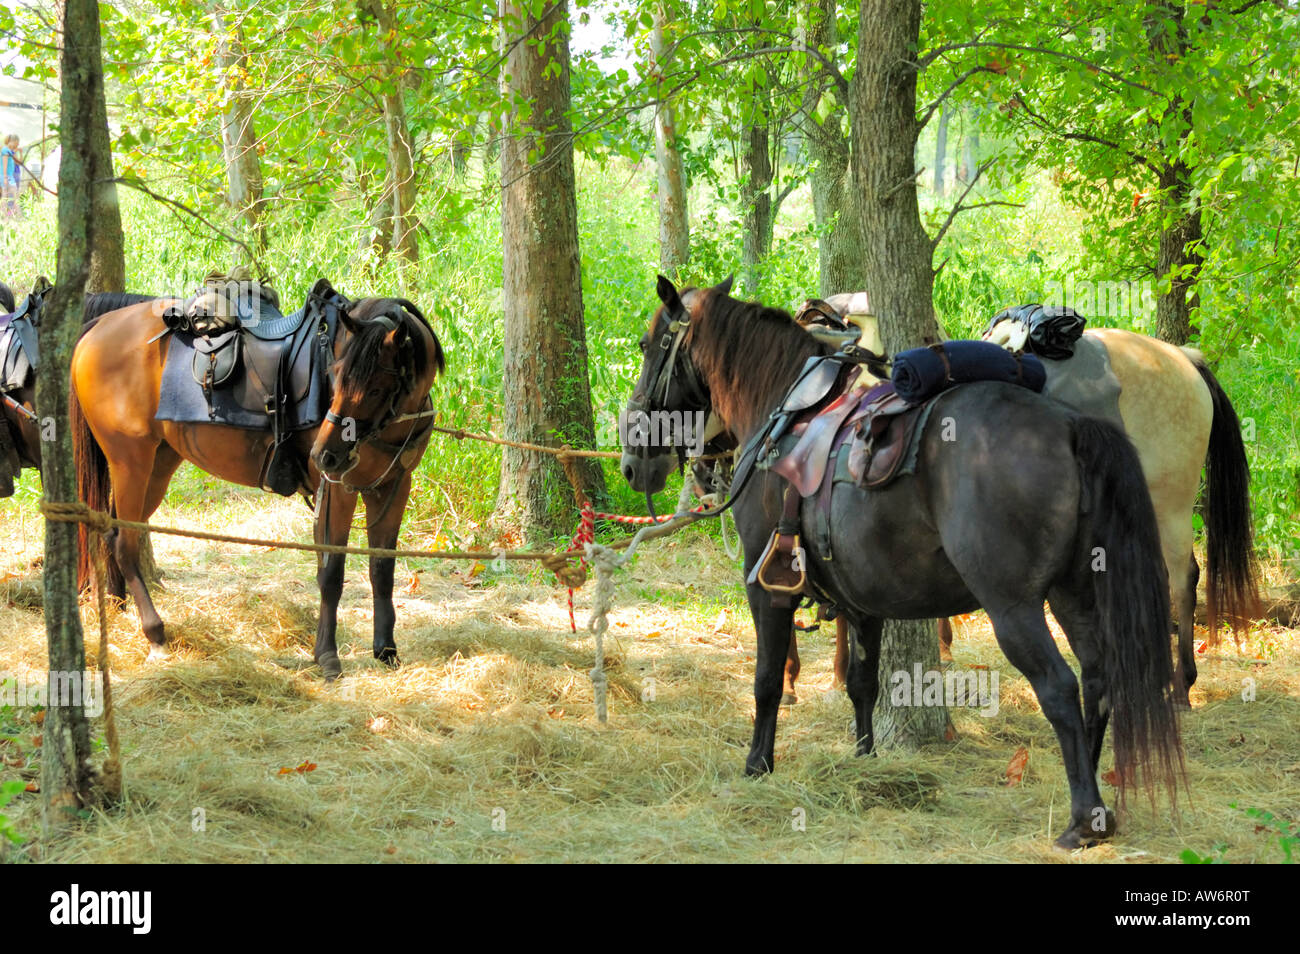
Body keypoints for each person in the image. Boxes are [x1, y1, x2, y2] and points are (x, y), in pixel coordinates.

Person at [1, 135, 21, 219]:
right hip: (6, 177)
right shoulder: (5, 150)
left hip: (8, 176)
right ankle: (16, 216)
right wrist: (5, 177)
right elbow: (4, 164)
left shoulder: (9, 150)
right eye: (16, 144)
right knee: (10, 196)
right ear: (12, 141)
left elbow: (17, 163)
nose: (16, 146)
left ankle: (7, 217)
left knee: (7, 196)